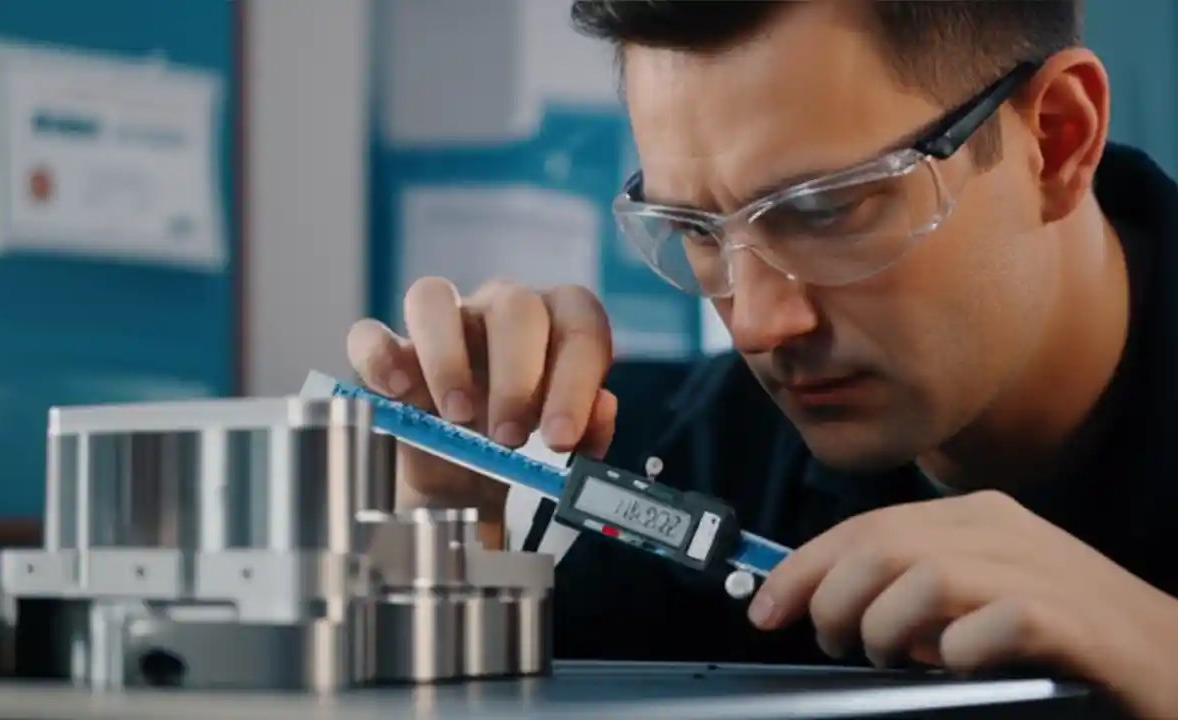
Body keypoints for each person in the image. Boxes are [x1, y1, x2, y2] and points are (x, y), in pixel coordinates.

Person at [346, 1, 1178, 715]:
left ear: (1058, 138)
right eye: (692, 231)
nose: (755, 325)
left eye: (825, 211)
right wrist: (443, 528)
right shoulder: (676, 470)